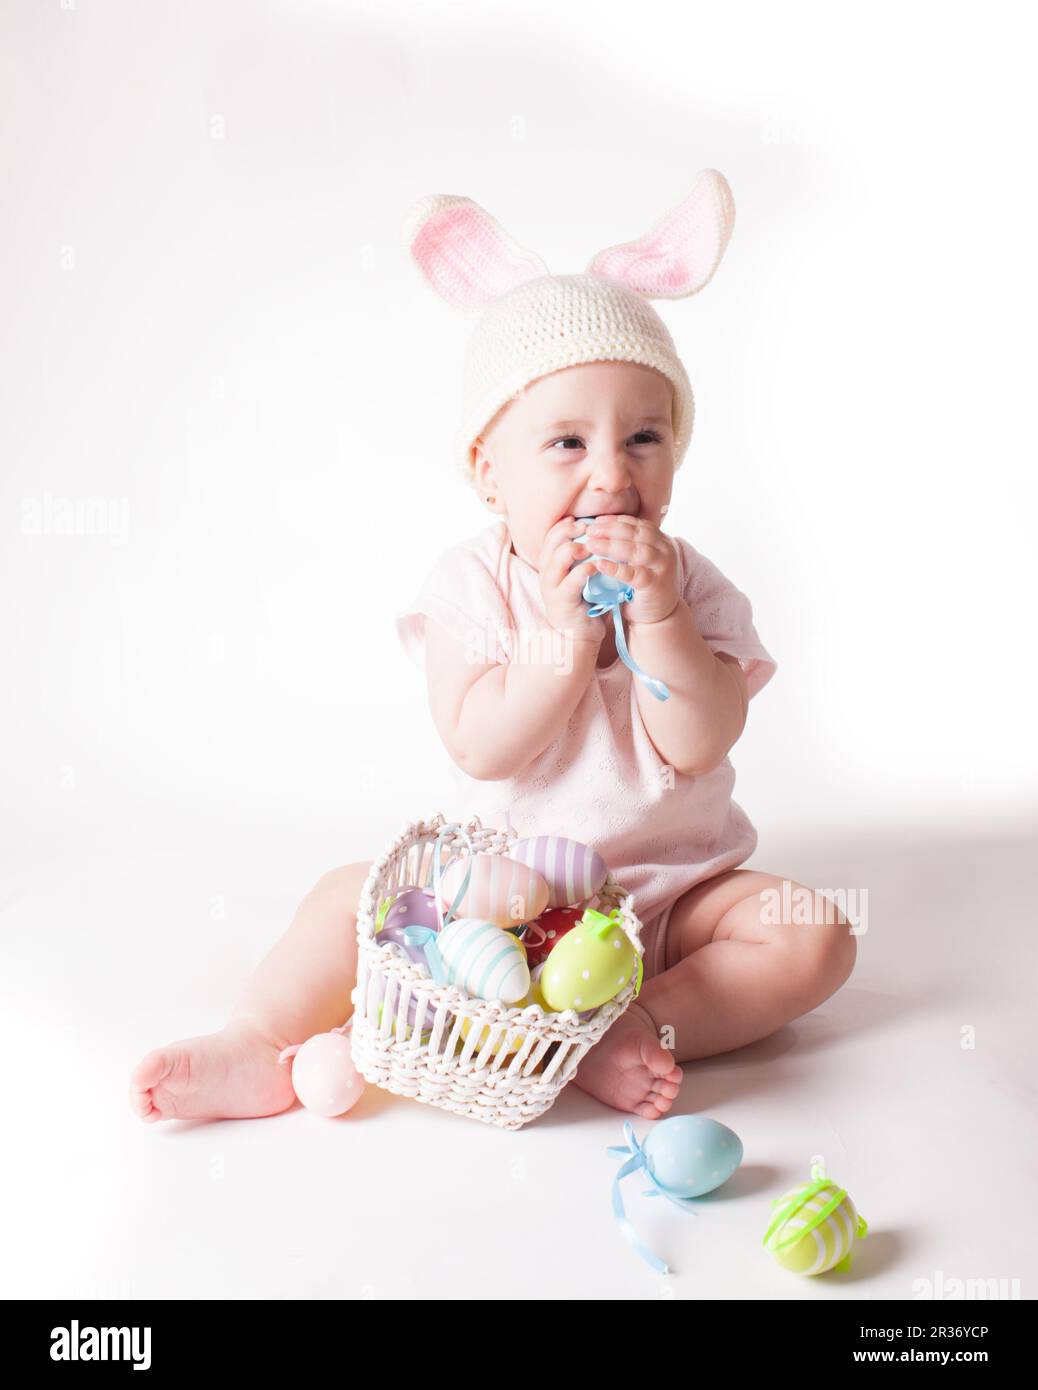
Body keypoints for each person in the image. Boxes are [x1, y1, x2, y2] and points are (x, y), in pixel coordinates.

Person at [129, 171, 856, 1125]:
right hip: (502, 905)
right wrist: (562, 637)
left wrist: (662, 618)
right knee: (347, 897)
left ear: (674, 457)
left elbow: (699, 743)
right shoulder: (472, 585)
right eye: (566, 444)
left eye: (644, 436)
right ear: (487, 472)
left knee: (812, 937)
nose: (611, 473)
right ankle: (256, 1044)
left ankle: (624, 1025)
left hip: (675, 902)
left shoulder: (693, 585)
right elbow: (482, 747)